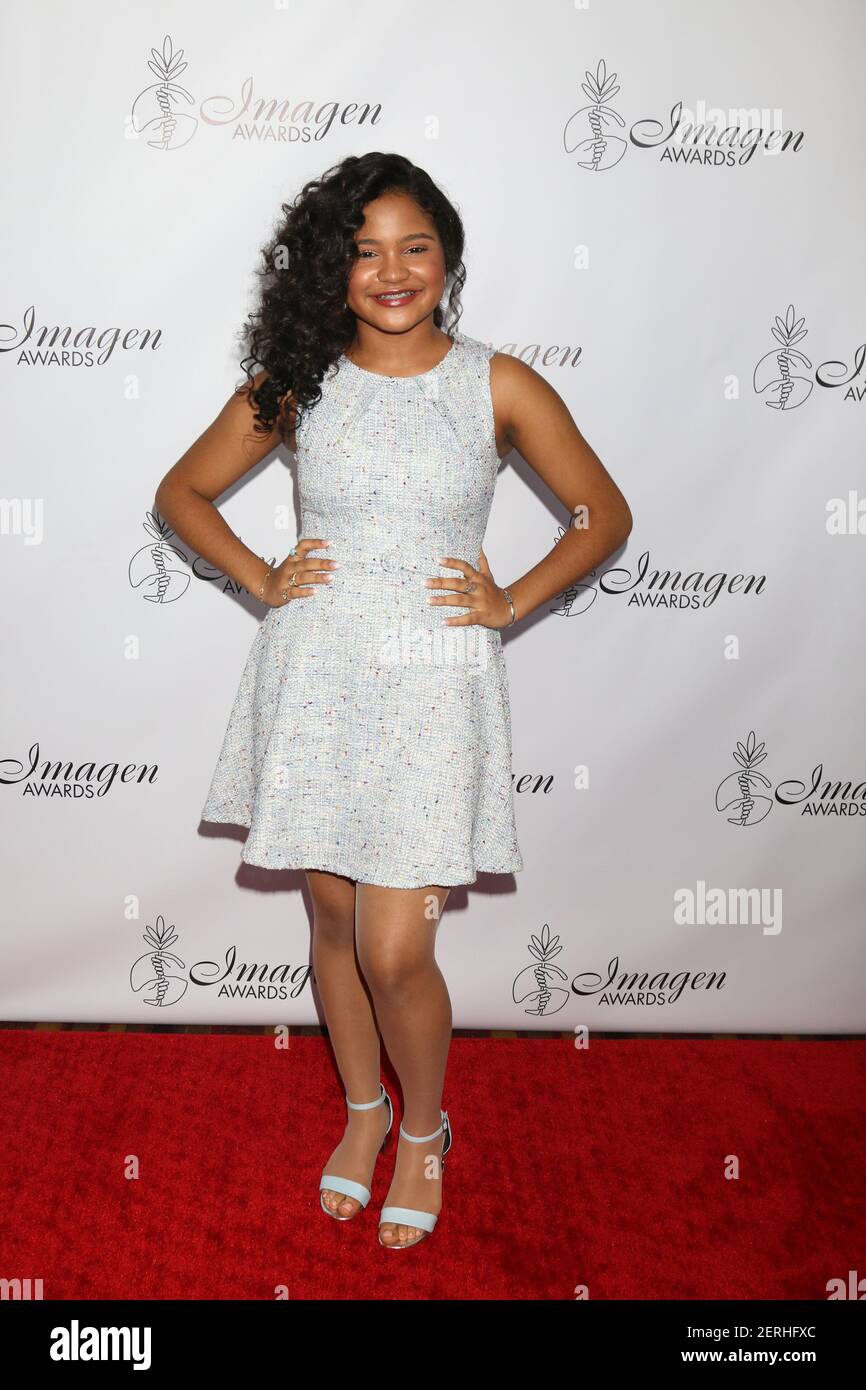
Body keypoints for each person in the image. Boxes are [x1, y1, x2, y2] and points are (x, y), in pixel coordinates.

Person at [155, 151, 633, 1251]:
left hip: (431, 689)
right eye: (363, 250)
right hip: (318, 674)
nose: (390, 269)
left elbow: (600, 513)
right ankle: (362, 1116)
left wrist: (507, 600)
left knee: (395, 947)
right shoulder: (300, 378)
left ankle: (426, 1127)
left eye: (413, 245)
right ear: (333, 270)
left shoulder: (496, 383)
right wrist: (262, 575)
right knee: (329, 917)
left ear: (447, 256)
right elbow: (180, 491)